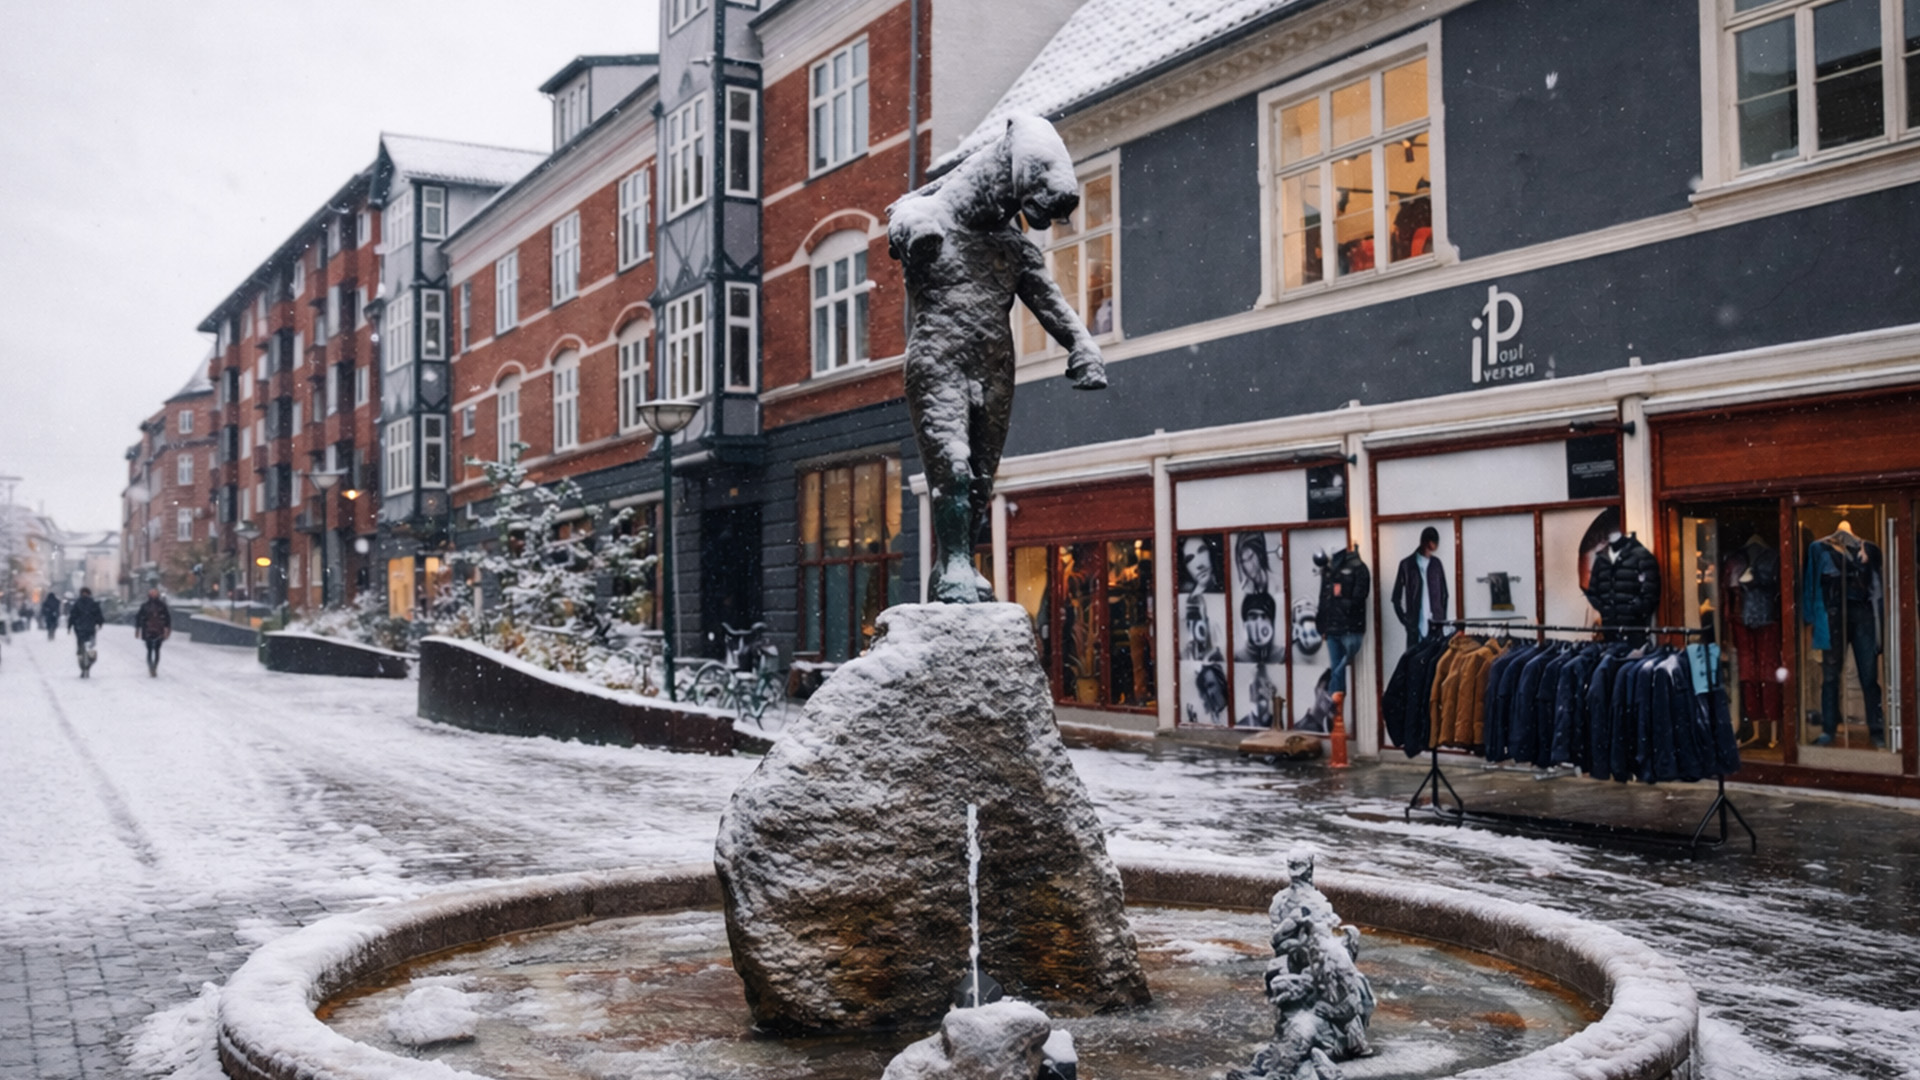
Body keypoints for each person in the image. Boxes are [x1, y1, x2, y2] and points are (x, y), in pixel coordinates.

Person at [1315, 546, 1372, 693]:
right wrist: (1321, 626)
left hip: (1348, 629)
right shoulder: (1330, 570)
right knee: (1337, 669)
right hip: (1339, 628)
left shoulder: (1357, 568)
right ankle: (1335, 709)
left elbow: (1360, 597)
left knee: (1337, 670)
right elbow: (1323, 599)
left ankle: (1333, 707)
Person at [1390, 527, 1448, 648]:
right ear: (1428, 542)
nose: (1436, 546)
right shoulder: (1407, 565)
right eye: (1434, 542)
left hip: (1435, 625)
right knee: (1414, 662)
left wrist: (1442, 619)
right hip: (1415, 626)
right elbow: (1396, 598)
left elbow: (1445, 594)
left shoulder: (1436, 564)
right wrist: (1406, 621)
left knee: (1434, 662)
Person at [68, 587, 106, 678]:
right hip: (90, 629)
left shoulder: (77, 603)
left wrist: (70, 626)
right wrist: (99, 623)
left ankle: (83, 666)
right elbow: (98, 615)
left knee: (81, 649)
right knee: (90, 649)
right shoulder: (93, 603)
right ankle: (87, 666)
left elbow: (72, 616)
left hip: (80, 628)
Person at [135, 587, 173, 677]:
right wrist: (138, 628)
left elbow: (167, 618)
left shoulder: (161, 606)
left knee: (156, 649)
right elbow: (139, 617)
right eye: (152, 593)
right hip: (148, 630)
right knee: (149, 650)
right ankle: (151, 667)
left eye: (155, 593)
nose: (153, 594)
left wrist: (167, 628)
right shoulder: (145, 606)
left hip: (158, 630)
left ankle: (154, 667)